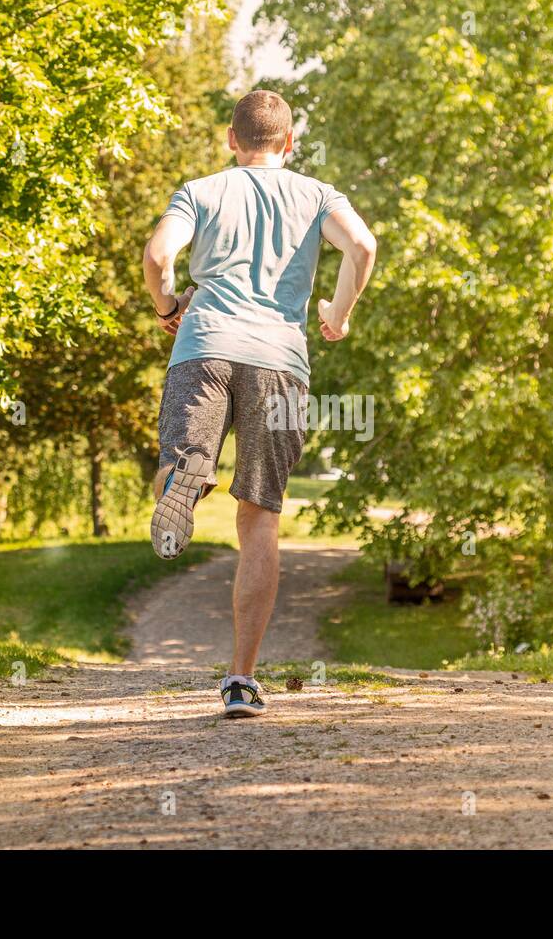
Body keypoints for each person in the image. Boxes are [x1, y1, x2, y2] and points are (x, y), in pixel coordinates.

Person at [141, 89, 376, 717]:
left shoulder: (201, 190)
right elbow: (364, 248)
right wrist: (337, 314)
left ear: (231, 139)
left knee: (181, 458)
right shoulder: (318, 194)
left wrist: (168, 308)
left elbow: (159, 256)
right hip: (279, 362)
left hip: (204, 347)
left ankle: (186, 479)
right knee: (261, 516)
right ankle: (241, 680)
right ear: (291, 142)